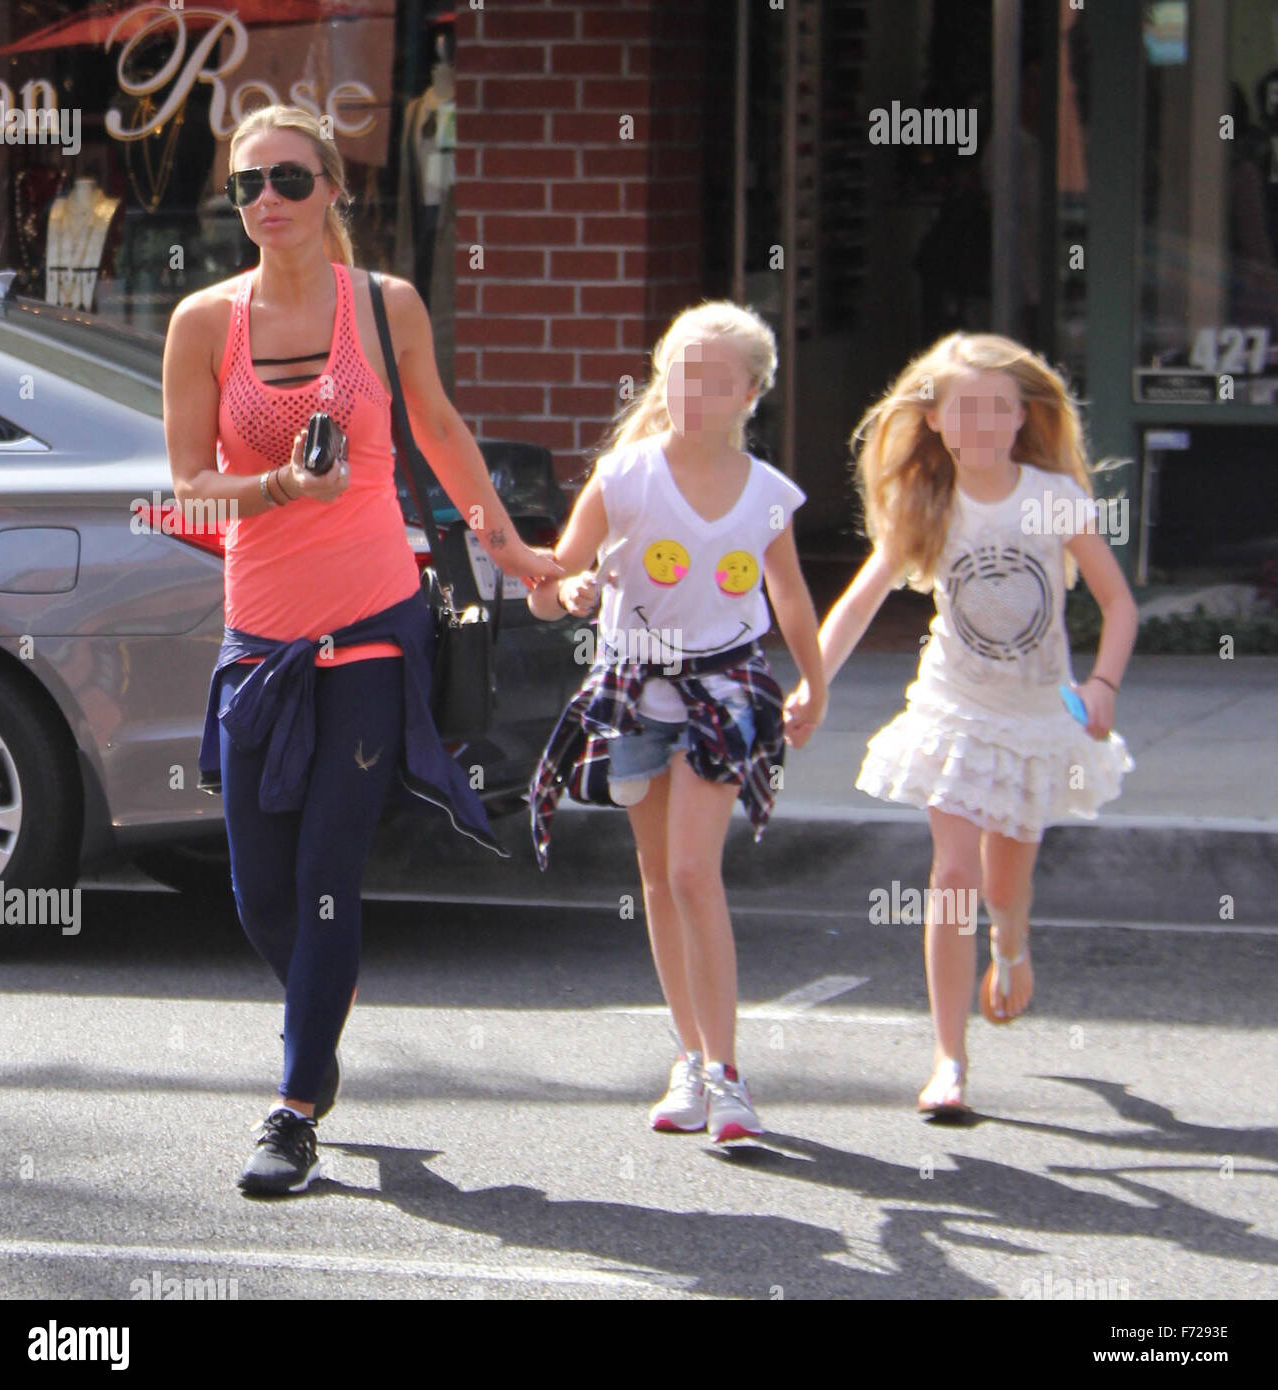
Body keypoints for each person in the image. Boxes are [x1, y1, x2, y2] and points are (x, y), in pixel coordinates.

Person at [162, 104, 560, 1195]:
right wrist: (280, 483)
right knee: (259, 890)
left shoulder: (383, 308)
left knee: (330, 870)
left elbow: (438, 427)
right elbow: (189, 482)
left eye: (289, 179)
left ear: (335, 187)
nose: (268, 203)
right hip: (260, 638)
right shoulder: (205, 321)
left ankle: (293, 1108)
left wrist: (512, 546)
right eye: (246, 186)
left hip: (376, 626)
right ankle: (320, 1018)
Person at [788, 332, 1136, 1118]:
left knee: (1005, 884)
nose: (980, 424)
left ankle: (1011, 948)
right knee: (953, 879)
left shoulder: (1051, 495)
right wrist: (815, 685)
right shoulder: (927, 502)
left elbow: (1118, 604)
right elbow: (861, 601)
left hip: (1038, 713)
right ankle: (949, 1059)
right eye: (964, 410)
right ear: (936, 421)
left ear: (1022, 418)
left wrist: (1103, 682)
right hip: (955, 710)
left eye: (997, 409)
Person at [527, 303, 828, 1143]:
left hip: (723, 693)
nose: (696, 391)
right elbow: (550, 580)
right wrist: (571, 591)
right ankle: (691, 1062)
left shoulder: (767, 494)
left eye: (717, 379)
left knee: (695, 872)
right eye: (683, 373)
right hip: (632, 690)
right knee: (657, 879)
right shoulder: (626, 475)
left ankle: (728, 1076)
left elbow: (791, 595)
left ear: (751, 394)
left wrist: (815, 685)